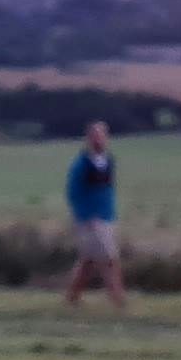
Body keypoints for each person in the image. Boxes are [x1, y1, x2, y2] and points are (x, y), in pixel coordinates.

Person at [62, 121, 127, 309]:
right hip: (89, 220)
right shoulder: (81, 165)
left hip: (107, 216)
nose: (100, 140)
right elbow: (73, 193)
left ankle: (72, 297)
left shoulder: (108, 161)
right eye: (96, 136)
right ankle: (118, 298)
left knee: (88, 261)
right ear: (89, 139)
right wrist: (86, 215)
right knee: (109, 258)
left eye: (102, 136)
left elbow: (108, 189)